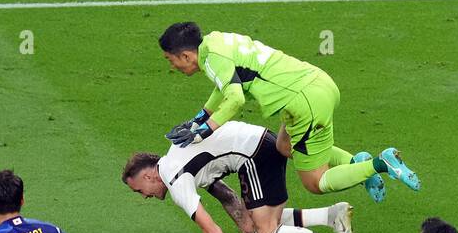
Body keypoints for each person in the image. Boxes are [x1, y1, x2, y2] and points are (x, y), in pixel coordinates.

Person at [158, 22, 420, 202]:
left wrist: (204, 132)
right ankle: (356, 164)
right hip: (315, 84)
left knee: (315, 182)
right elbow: (226, 85)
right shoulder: (216, 43)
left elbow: (235, 98)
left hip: (303, 102)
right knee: (284, 146)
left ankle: (379, 164)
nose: (173, 66)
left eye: (171, 60)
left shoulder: (210, 58)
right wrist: (201, 116)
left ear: (184, 55)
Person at [122, 120, 366, 233]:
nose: (144, 196)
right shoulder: (177, 156)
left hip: (253, 155)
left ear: (148, 176)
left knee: (267, 232)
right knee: (261, 222)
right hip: (262, 142)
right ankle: (331, 216)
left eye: (139, 190)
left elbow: (210, 229)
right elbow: (226, 196)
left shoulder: (175, 180)